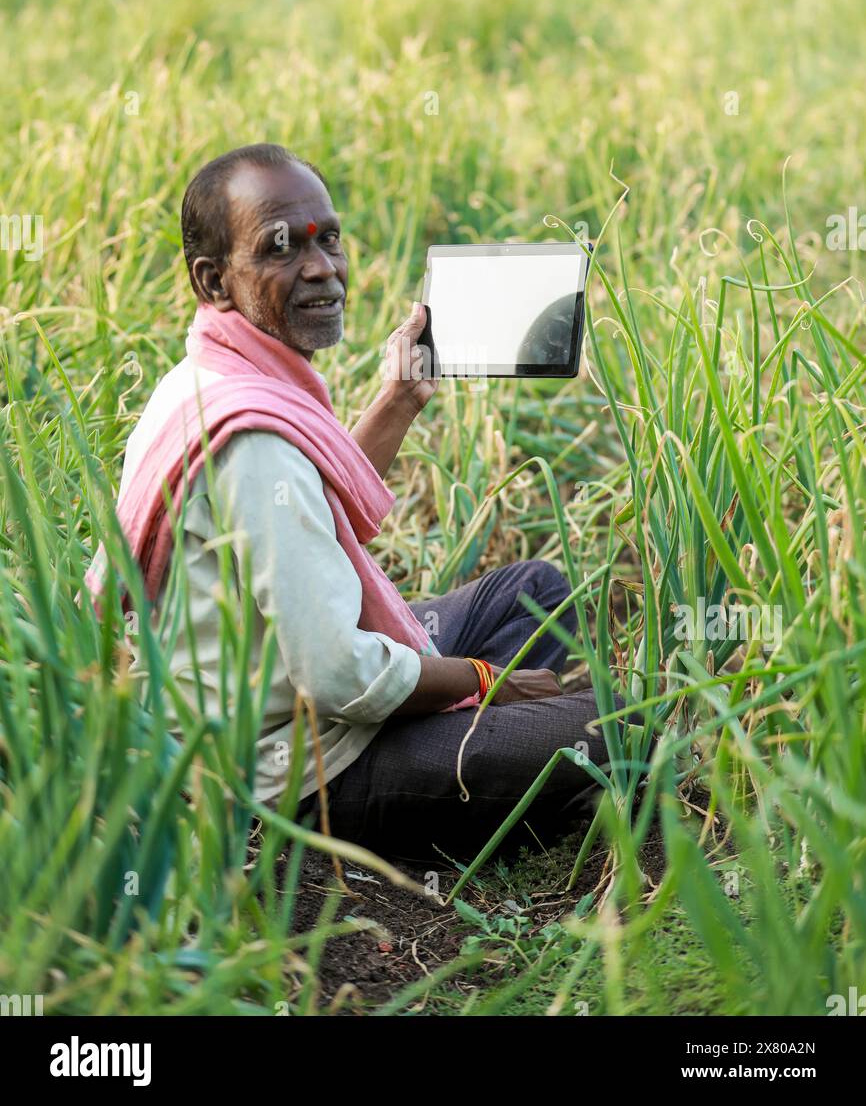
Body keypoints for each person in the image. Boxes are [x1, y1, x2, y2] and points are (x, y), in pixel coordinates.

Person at [87, 143, 635, 862]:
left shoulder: (206, 380)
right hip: (296, 767)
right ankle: (466, 804)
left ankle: (478, 759)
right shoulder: (251, 446)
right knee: (620, 724)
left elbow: (313, 507)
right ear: (213, 280)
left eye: (329, 238)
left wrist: (399, 398)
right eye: (280, 248)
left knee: (531, 592)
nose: (321, 267)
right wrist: (483, 681)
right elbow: (337, 673)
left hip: (278, 689)